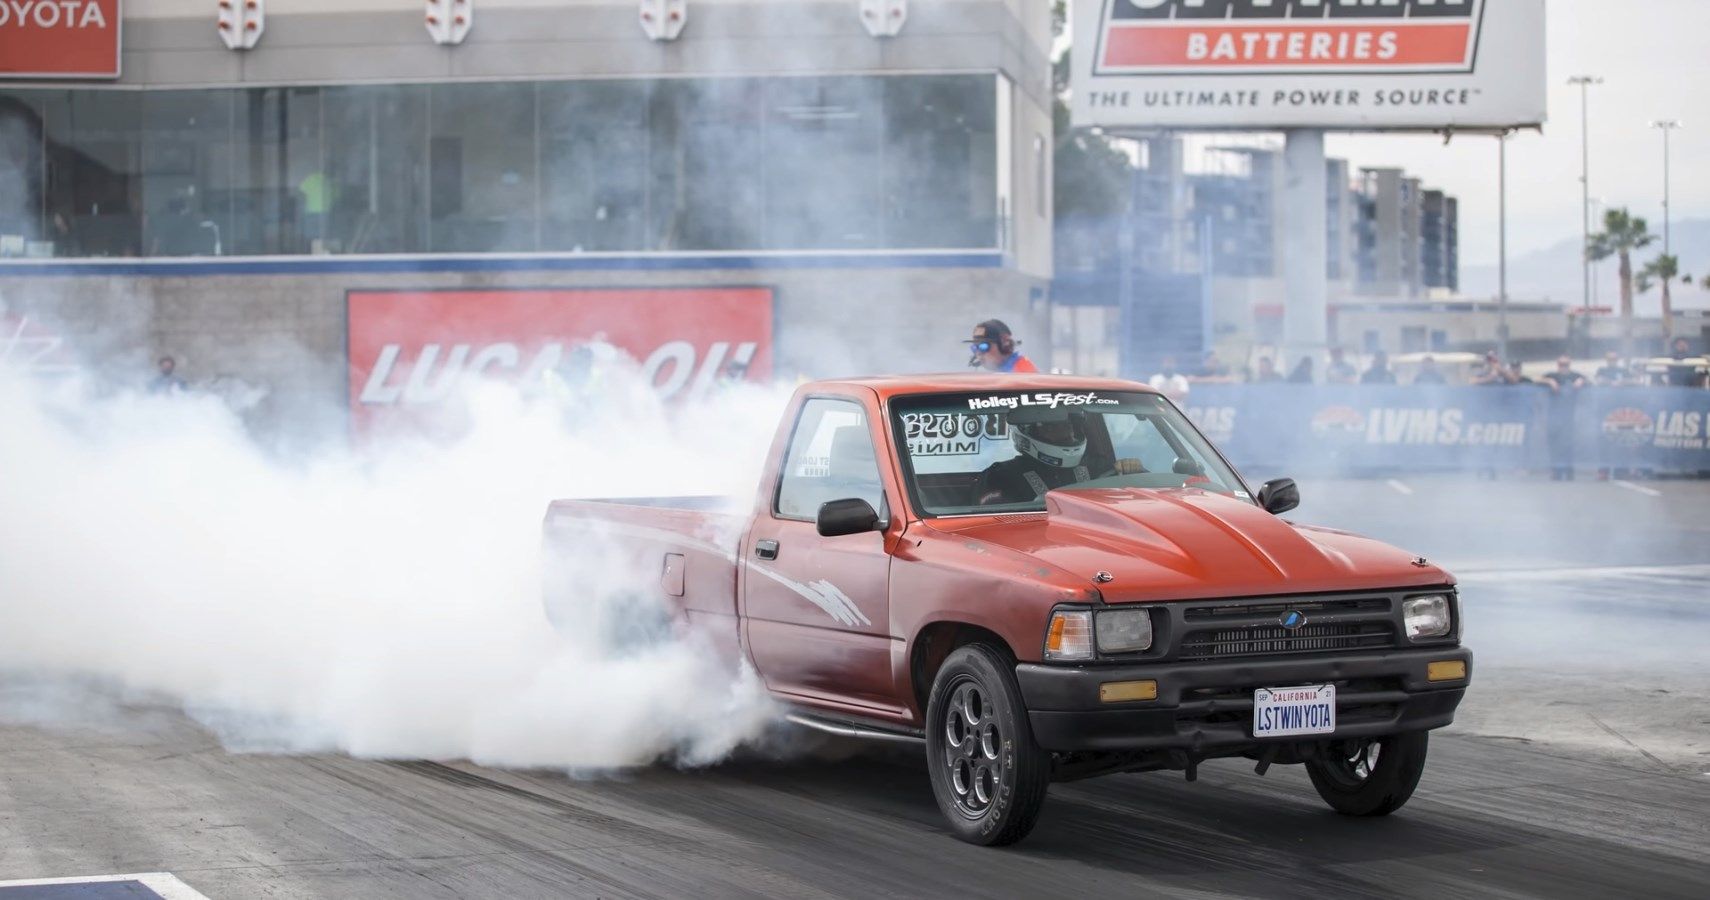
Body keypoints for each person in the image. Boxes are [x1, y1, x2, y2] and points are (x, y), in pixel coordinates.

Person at [975, 409, 1141, 504]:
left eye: (1068, 426)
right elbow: (994, 525)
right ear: (1027, 433)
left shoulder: (1097, 466)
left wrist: (1130, 471)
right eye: (1052, 427)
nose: (1066, 432)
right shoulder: (1001, 476)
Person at [1538, 355, 1588, 481]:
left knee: (1568, 444)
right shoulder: (1552, 375)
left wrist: (1581, 381)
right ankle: (1556, 470)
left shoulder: (1575, 376)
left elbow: (1588, 380)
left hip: (1569, 416)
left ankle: (1568, 470)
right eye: (1561, 364)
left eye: (1566, 364)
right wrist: (1549, 381)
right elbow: (1537, 380)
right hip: (1553, 415)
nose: (1563, 367)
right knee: (1554, 443)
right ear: (1557, 365)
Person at [966, 319, 1037, 373]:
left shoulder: (1023, 369)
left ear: (1004, 344)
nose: (978, 353)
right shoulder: (993, 372)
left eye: (983, 346)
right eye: (974, 348)